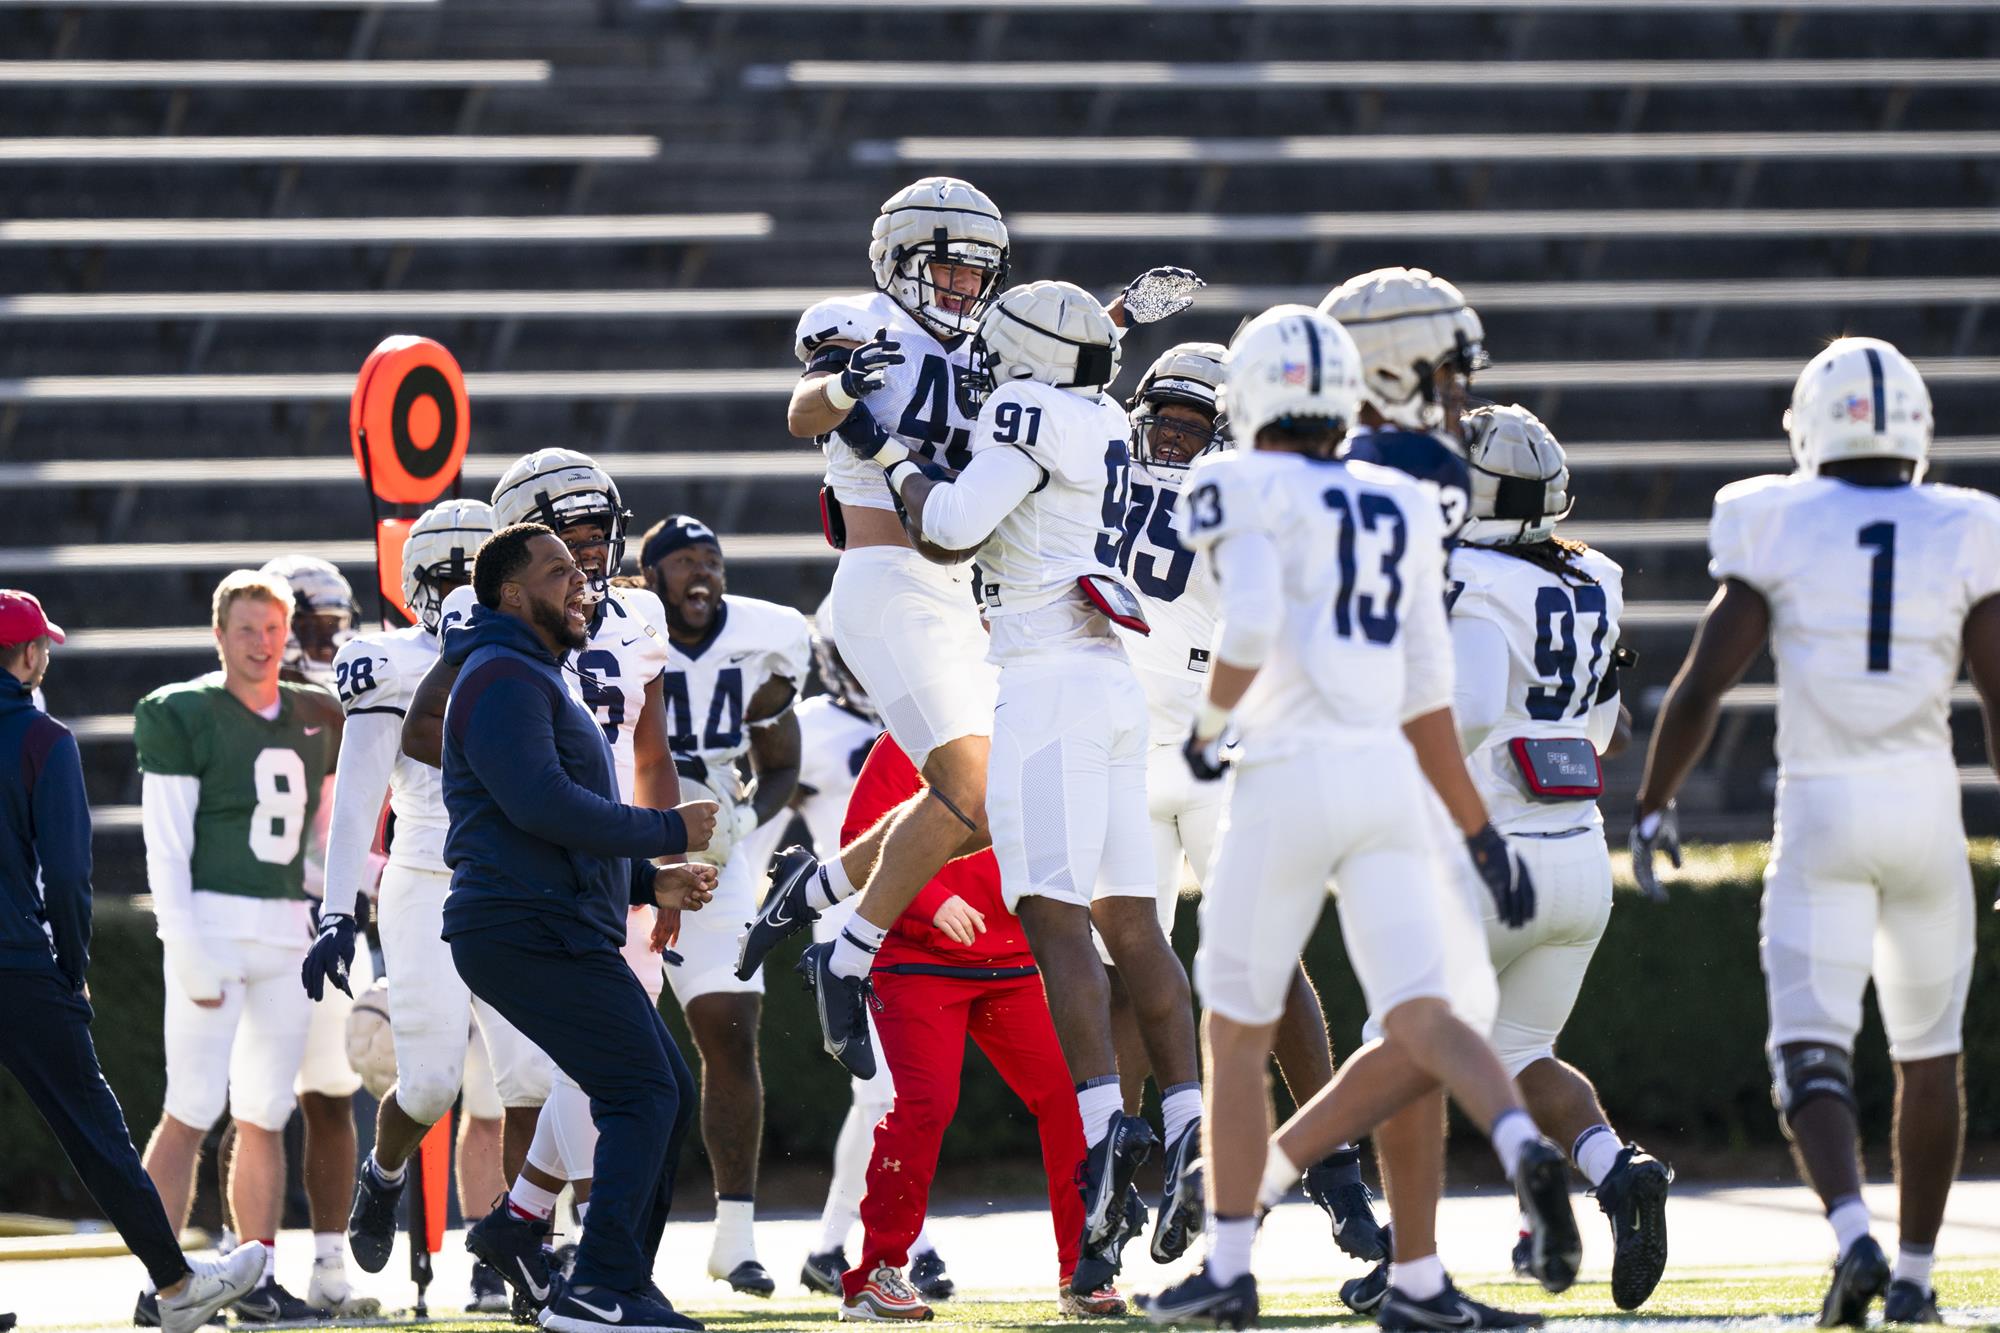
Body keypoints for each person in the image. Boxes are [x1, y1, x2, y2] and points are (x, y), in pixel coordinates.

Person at [1136, 307, 1574, 1331]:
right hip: (1388, 779)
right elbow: (1426, 698)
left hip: (1286, 771)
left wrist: (1208, 728)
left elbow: (1249, 622)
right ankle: (1517, 1145)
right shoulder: (1401, 503)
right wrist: (1478, 833)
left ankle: (1229, 1264)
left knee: (1235, 1027)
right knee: (1421, 1010)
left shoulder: (1233, 479)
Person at [734, 178, 1201, 1059]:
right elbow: (802, 410)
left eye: (977, 272)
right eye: (947, 268)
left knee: (990, 802)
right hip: (888, 578)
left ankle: (817, 891)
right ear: (899, 261)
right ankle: (848, 952)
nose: (962, 286)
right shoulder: (863, 324)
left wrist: (1118, 315)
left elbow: (1052, 358)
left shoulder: (991, 342)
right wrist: (842, 388)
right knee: (972, 783)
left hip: (966, 587)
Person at [1632, 337, 2000, 1328]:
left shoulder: (1778, 518)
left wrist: (1652, 798)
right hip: (1925, 807)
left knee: (1807, 1050)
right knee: (1930, 1054)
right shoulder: (1965, 524)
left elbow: (1705, 680)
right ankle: (1914, 1276)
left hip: (1823, 807)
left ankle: (1852, 1234)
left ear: (1809, 429)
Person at [871, 280, 1203, 1296]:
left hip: (1046, 679)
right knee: (1132, 922)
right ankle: (1188, 1121)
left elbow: (950, 527)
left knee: (1054, 917)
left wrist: (891, 460)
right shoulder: (1100, 414)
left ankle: (1105, 1129)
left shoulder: (1027, 407)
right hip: (1112, 682)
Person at [1106, 341, 1386, 1268]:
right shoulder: (1228, 487)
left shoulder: (1106, 461)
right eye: (1167, 421)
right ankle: (1129, 1172)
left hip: (1194, 742)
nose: (1174, 441)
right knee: (1134, 969)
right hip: (1145, 745)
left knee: (1253, 957)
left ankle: (1333, 1169)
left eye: (1194, 428)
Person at [404, 451, 686, 1315]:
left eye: (594, 543)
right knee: (631, 1087)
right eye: (562, 558)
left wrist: (649, 876)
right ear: (512, 586)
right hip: (533, 909)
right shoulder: (499, 663)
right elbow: (538, 800)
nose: (586, 566)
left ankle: (597, 1269)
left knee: (655, 1085)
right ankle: (594, 1278)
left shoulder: (556, 655)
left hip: (579, 896)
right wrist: (662, 831)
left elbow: (627, 765)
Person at [298, 502, 552, 1312]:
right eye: (446, 577)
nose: (462, 593)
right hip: (427, 879)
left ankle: (525, 1251)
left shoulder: (542, 651)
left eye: (474, 574)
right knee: (433, 1083)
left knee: (530, 1079)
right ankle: (385, 1172)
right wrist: (337, 912)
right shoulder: (392, 661)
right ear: (415, 588)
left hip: (517, 881)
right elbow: (360, 792)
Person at [1446, 405, 1671, 1310]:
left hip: (1489, 860)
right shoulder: (1595, 578)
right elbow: (1606, 729)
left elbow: (1466, 712)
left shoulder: (1469, 576)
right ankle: (1616, 1170)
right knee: (1521, 1051)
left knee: (1399, 1049)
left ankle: (1393, 1248)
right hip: (1579, 859)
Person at [0, 589, 268, 1333]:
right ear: (29, 656)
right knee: (94, 1132)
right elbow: (67, 875)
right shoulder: (43, 738)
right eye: (42, 646)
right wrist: (71, 965)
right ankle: (177, 1286)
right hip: (19, 963)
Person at [833, 733, 1116, 1322]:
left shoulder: (1039, 726)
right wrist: (929, 899)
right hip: (917, 960)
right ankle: (875, 1274)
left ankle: (1084, 1272)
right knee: (926, 1105)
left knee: (1071, 1098)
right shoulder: (912, 732)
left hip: (1015, 959)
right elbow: (858, 838)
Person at [133, 569, 342, 1324]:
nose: (262, 643)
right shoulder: (183, 710)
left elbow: (321, 843)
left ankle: (254, 1279)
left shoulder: (317, 712)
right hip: (213, 925)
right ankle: (160, 1282)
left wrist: (367, 884)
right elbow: (165, 846)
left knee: (264, 1111)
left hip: (286, 932)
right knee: (189, 1108)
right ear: (219, 635)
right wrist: (181, 937)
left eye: (273, 629)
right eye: (248, 629)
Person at [623, 513, 809, 1296]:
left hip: (713, 861)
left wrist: (744, 822)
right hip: (622, 842)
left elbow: (782, 762)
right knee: (597, 1042)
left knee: (731, 1028)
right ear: (651, 576)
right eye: (685, 561)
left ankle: (735, 1239)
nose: (703, 572)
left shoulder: (763, 641)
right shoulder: (621, 633)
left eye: (714, 560)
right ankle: (570, 1231)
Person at [785, 615, 950, 1302]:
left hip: (918, 922)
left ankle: (830, 1247)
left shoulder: (935, 717)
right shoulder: (812, 726)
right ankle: (909, 1243)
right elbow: (767, 808)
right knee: (885, 1093)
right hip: (849, 926)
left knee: (888, 1095)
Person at [256, 553, 376, 1316]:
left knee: (331, 1096)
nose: (324, 643)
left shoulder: (349, 707)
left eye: (333, 628)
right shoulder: (239, 710)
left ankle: (330, 1265)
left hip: (329, 922)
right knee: (256, 1106)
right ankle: (250, 1260)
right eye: (311, 628)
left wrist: (379, 878)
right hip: (264, 921)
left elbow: (352, 829)